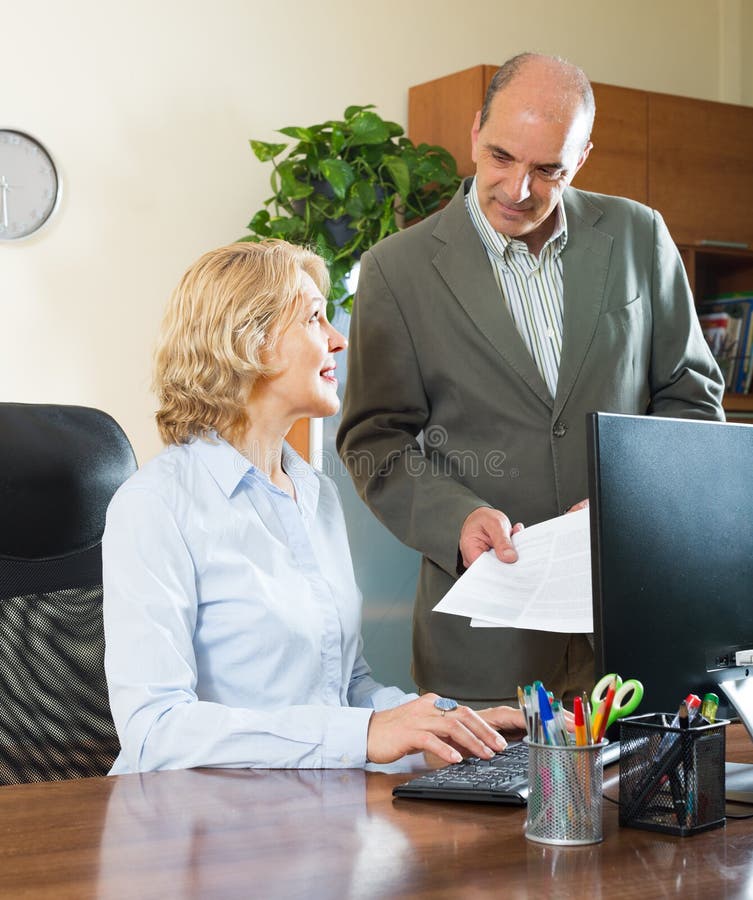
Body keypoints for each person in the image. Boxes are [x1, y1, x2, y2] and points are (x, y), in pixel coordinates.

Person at [336, 52, 725, 708]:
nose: (517, 189)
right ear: (473, 132)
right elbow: (376, 440)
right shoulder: (394, 271)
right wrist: (455, 519)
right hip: (483, 648)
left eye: (548, 169)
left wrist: (632, 498)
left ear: (583, 156)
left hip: (634, 629)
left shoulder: (639, 236)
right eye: (500, 157)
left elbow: (689, 396)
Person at [102, 239, 526, 774]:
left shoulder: (316, 494)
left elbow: (344, 686)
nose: (338, 339)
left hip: (314, 812)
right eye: (313, 319)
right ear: (248, 342)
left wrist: (452, 723)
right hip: (201, 831)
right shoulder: (154, 505)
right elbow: (155, 730)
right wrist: (363, 734)